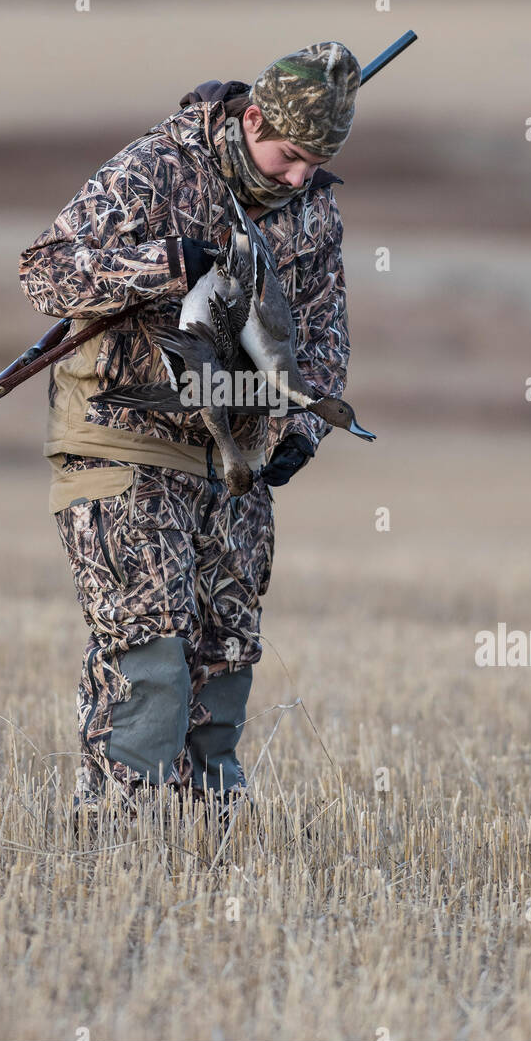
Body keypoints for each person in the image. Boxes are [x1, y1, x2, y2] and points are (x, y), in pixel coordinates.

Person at [18, 41, 359, 833]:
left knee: (226, 658)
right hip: (121, 439)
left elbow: (324, 332)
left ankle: (208, 854)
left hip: (235, 458)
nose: (301, 175)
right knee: (152, 659)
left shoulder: (314, 205)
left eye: (319, 161)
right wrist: (165, 263)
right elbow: (46, 273)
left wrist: (303, 427)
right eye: (291, 155)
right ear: (250, 120)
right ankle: (120, 852)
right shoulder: (155, 169)